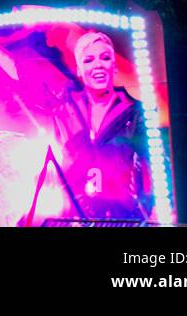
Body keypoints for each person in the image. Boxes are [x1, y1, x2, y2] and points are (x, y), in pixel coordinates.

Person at [51, 30, 153, 221]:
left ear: (114, 66)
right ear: (79, 70)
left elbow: (156, 167)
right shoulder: (64, 109)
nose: (98, 65)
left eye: (105, 58)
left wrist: (150, 207)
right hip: (75, 217)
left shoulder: (136, 112)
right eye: (88, 60)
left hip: (123, 217)